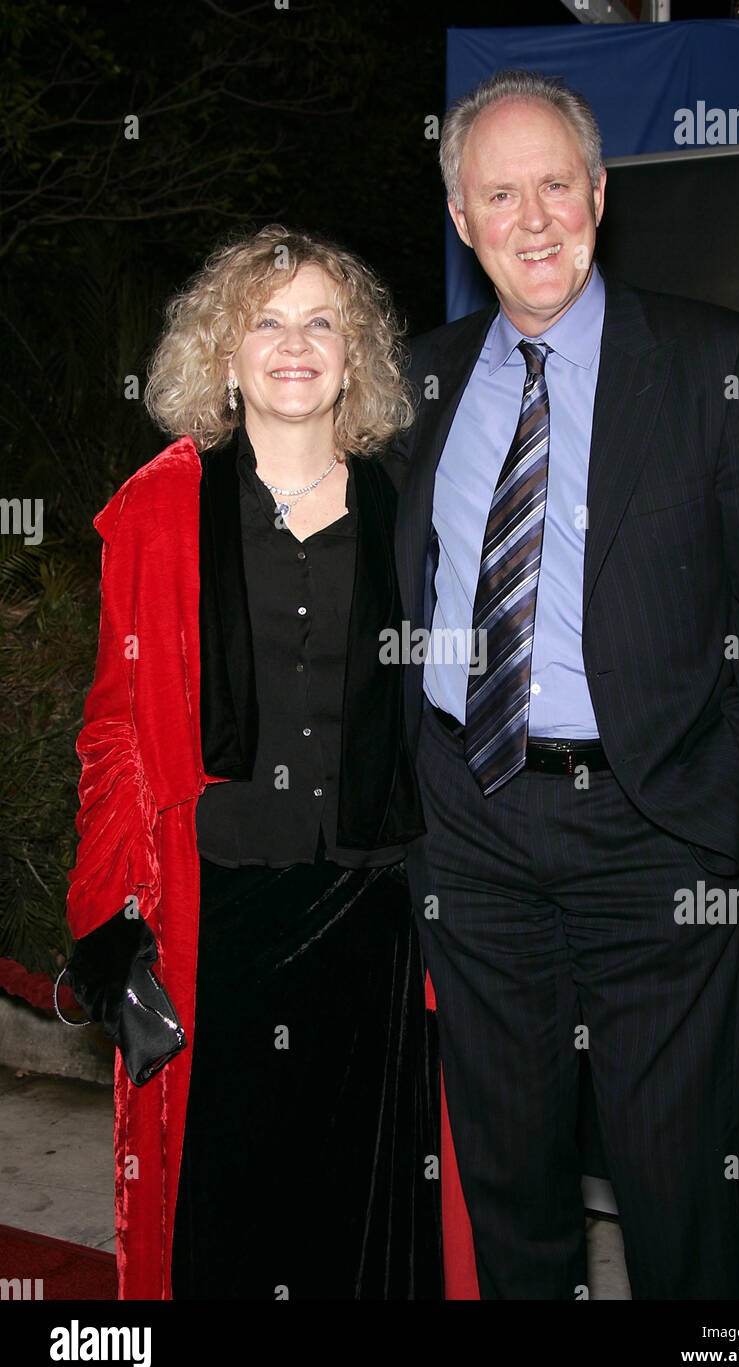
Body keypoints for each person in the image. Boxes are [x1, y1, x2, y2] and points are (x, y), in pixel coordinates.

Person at [387, 70, 739, 1300]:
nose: (531, 219)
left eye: (552, 186)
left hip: (654, 833)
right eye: (497, 194)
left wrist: (734, 796)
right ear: (461, 219)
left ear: (597, 193)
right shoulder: (414, 385)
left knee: (678, 1188)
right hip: (471, 834)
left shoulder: (712, 360)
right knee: (509, 1186)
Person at [65, 225, 442, 1300]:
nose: (293, 343)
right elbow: (116, 732)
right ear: (223, 355)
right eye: (264, 322)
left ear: (354, 352)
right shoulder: (158, 506)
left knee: (354, 1222)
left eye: (320, 321)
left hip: (370, 919)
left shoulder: (403, 503)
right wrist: (107, 922)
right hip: (218, 918)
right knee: (226, 1214)